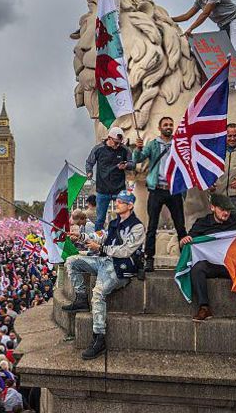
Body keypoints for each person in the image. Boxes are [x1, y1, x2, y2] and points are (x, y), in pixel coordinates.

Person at [62, 190, 145, 360]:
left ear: (130, 206)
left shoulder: (137, 227)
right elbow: (100, 235)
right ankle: (80, 299)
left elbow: (126, 250)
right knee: (71, 261)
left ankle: (99, 338)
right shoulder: (114, 223)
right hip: (104, 261)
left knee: (98, 293)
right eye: (118, 201)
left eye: (122, 202)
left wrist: (100, 249)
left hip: (119, 268)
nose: (118, 204)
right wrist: (81, 236)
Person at [180, 194, 236, 325]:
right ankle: (204, 307)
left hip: (232, 264)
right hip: (211, 265)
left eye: (228, 210)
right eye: (222, 209)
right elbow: (189, 243)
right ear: (212, 207)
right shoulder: (202, 223)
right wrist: (183, 241)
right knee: (197, 268)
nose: (226, 213)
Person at [171, 0, 236, 91]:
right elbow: (186, 16)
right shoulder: (199, 1)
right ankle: (231, 84)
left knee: (235, 50)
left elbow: (205, 13)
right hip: (224, 26)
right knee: (225, 54)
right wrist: (168, 19)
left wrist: (191, 29)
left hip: (235, 20)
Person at [133, 116, 186, 270]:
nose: (168, 127)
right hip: (157, 189)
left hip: (174, 190)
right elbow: (138, 159)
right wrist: (138, 148)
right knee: (152, 226)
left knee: (180, 226)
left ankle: (185, 258)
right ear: (160, 127)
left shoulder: (179, 144)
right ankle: (149, 258)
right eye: (165, 125)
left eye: (171, 124)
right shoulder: (153, 145)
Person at [84, 126, 135, 231]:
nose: (118, 145)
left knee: (122, 216)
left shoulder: (124, 149)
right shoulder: (98, 149)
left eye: (119, 143)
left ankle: (120, 238)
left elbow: (132, 163)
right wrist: (89, 171)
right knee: (100, 219)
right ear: (109, 138)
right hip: (103, 190)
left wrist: (126, 165)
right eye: (116, 143)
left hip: (119, 189)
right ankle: (98, 241)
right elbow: (89, 162)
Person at [211, 124, 236, 218]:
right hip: (218, 195)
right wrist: (210, 183)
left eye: (235, 136)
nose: (232, 139)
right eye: (229, 136)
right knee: (218, 224)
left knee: (235, 224)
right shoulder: (216, 150)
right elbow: (209, 169)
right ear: (225, 135)